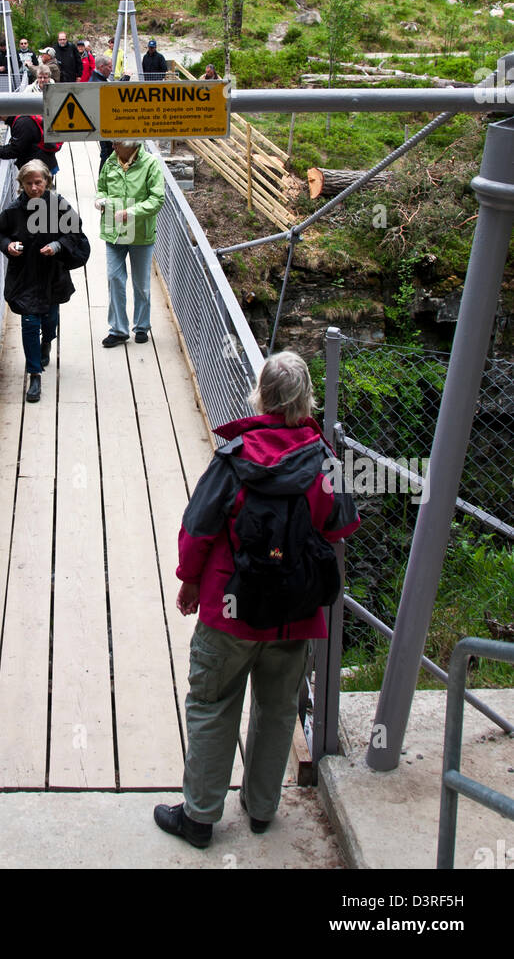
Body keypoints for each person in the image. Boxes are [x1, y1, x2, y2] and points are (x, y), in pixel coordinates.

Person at [153, 350, 360, 849]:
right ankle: (262, 808)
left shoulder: (233, 459)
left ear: (261, 396)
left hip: (230, 610)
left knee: (211, 703)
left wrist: (189, 581)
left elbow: (197, 530)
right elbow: (344, 524)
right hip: (294, 615)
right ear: (305, 399)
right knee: (277, 708)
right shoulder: (327, 462)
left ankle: (200, 816)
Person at [0, 160, 90, 403]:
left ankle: (47, 341)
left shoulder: (57, 205)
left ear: (47, 181)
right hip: (24, 275)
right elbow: (0, 232)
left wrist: (57, 246)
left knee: (50, 319)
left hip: (52, 273)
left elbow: (75, 230)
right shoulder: (14, 210)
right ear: (21, 184)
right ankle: (34, 375)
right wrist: (9, 245)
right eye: (28, 183)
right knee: (28, 322)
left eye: (38, 182)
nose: (34, 188)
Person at [96, 139, 164, 347]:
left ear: (131, 145)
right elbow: (102, 187)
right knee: (114, 278)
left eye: (117, 143)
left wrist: (131, 213)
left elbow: (157, 199)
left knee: (141, 283)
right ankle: (118, 329)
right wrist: (100, 199)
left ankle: (142, 326)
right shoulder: (111, 161)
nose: (113, 146)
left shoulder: (151, 163)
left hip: (139, 232)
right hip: (113, 230)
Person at [0, 112, 59, 177]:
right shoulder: (20, 119)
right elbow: (16, 145)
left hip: (39, 170)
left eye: (0, 115)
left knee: (39, 194)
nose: (0, 119)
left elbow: (14, 151)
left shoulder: (22, 123)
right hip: (43, 165)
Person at [89, 55, 113, 166]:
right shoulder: (97, 82)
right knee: (107, 154)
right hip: (103, 124)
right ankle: (102, 180)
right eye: (109, 67)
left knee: (107, 153)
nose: (111, 69)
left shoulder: (97, 79)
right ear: (101, 67)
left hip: (102, 123)